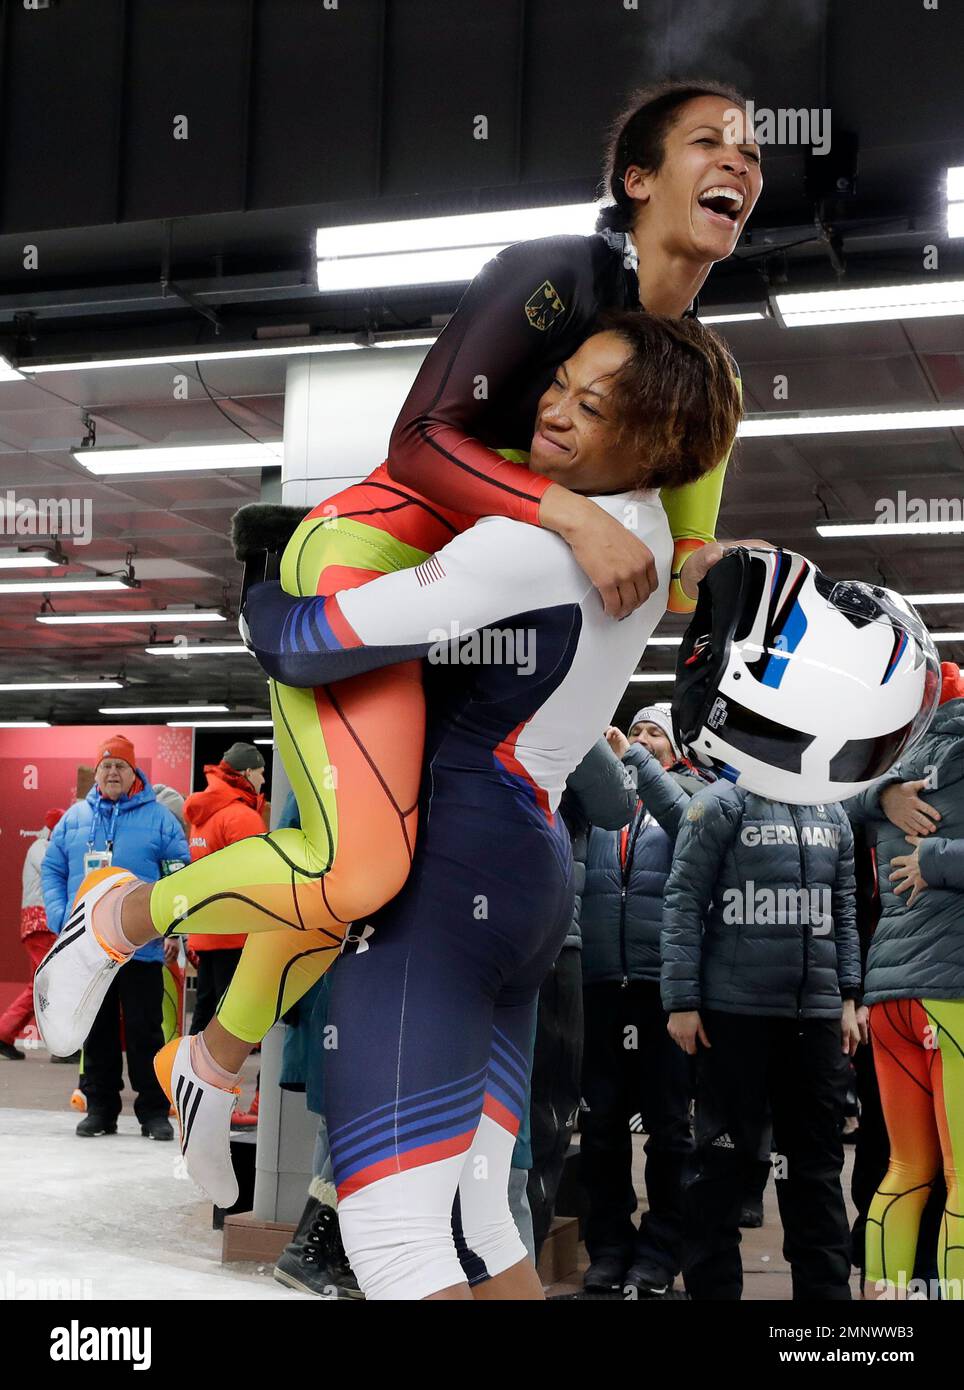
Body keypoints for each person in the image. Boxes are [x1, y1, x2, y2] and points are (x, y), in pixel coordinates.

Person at [39, 313, 743, 1296]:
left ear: (657, 447)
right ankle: (210, 1052)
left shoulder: (528, 550)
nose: (550, 407)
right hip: (528, 876)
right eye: (559, 383)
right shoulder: (648, 536)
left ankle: (123, 924)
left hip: (447, 877)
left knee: (395, 1239)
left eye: (590, 404)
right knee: (484, 1214)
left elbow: (315, 642)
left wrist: (264, 577)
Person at [662, 779, 862, 1301]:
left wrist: (848, 995)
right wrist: (681, 1001)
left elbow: (844, 907)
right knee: (719, 1168)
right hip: (734, 1016)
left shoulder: (832, 809)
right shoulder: (719, 803)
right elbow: (683, 899)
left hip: (815, 1017)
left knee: (817, 1172)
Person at [579, 706, 712, 1295]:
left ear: (675, 746)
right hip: (602, 982)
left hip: (665, 989)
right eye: (634, 731)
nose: (640, 740)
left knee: (668, 1128)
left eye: (653, 732)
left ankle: (660, 1251)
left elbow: (691, 837)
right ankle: (609, 1245)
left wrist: (631, 759)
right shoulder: (601, 811)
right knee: (601, 1124)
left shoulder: (697, 799)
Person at [844, 662, 964, 1299]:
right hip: (954, 993)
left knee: (904, 1169)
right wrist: (941, 859)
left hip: (889, 994)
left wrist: (881, 794)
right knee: (963, 1179)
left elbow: (832, 799)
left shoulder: (884, 766)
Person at [524, 735, 640, 1262]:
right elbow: (614, 804)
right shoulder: (562, 701)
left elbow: (615, 806)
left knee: (537, 1108)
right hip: (540, 942)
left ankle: (507, 1258)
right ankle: (503, 1261)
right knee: (541, 1107)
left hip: (517, 939)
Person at [40, 736, 189, 1139]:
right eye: (105, 766)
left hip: (140, 948)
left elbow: (179, 875)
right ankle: (100, 1109)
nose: (111, 773)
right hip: (87, 950)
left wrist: (173, 927)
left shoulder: (160, 819)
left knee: (146, 1031)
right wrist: (59, 916)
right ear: (97, 772)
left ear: (133, 772)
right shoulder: (74, 819)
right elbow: (52, 871)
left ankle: (153, 1112)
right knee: (97, 1030)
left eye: (120, 766)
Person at [183, 743, 267, 1036]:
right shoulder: (240, 818)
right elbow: (257, 875)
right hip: (236, 929)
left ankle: (188, 1073)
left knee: (205, 1007)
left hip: (208, 926)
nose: (263, 781)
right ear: (245, 773)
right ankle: (212, 1075)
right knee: (230, 1015)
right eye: (260, 773)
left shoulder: (203, 816)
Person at [0, 808, 64, 1060]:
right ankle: (60, 1047)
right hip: (41, 925)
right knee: (53, 985)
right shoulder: (42, 848)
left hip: (40, 925)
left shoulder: (41, 846)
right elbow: (55, 869)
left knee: (40, 985)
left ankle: (5, 1032)